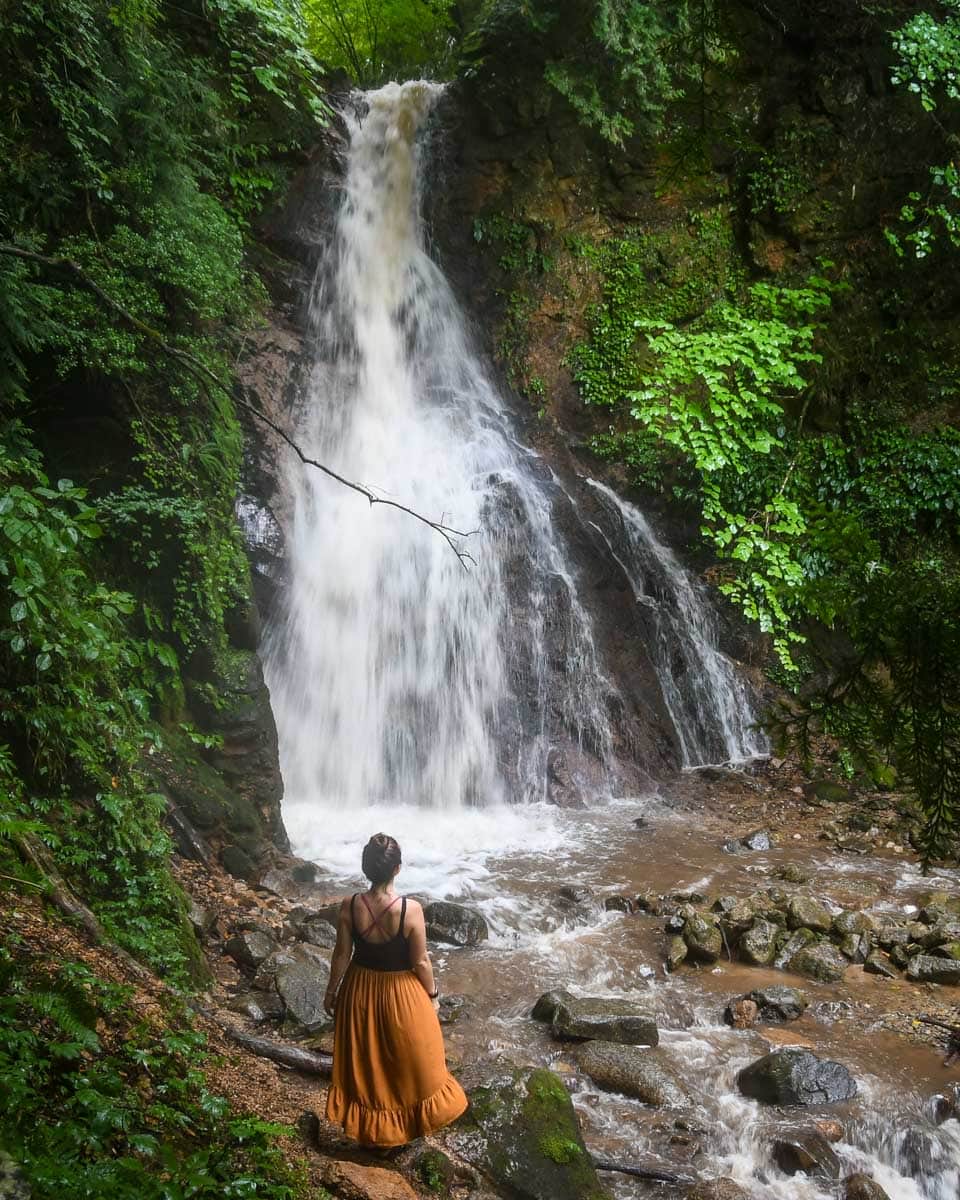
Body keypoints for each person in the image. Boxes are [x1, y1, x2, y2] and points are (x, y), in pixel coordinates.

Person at [323, 833, 468, 1146]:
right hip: (401, 991)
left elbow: (340, 955)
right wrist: (432, 996)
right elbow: (421, 961)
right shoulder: (409, 910)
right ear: (397, 869)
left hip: (359, 988)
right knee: (407, 1058)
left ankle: (373, 1131)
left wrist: (332, 992)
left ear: (366, 869)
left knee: (367, 1060)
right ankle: (401, 1128)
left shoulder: (349, 905)